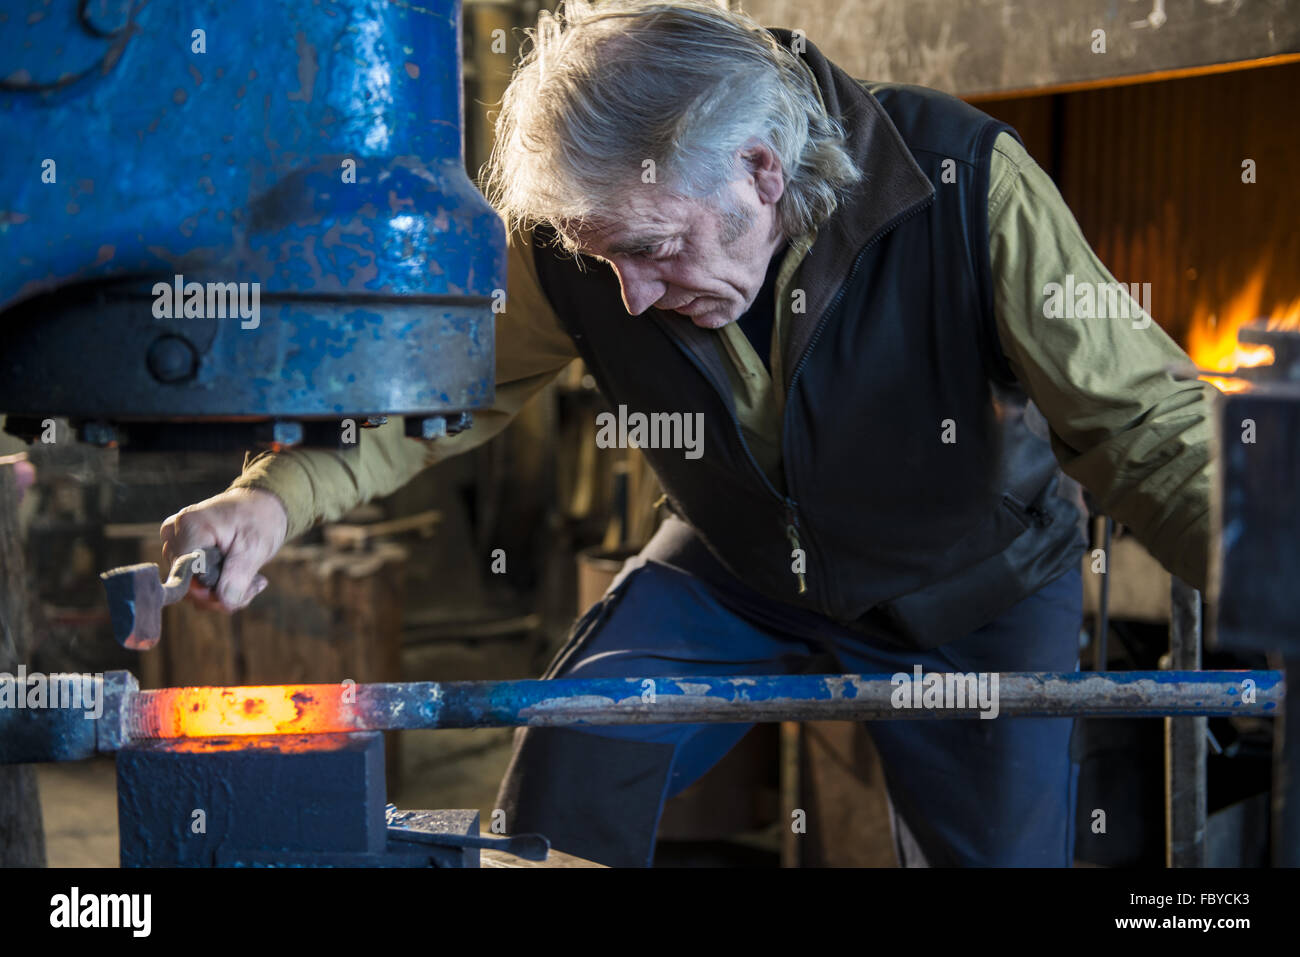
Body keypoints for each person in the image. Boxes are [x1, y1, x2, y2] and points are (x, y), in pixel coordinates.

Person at [161, 0, 1216, 866]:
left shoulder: (970, 183)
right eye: (599, 255)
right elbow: (446, 394)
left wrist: (1263, 573)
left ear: (762, 171)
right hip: (738, 562)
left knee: (1000, 862)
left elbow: (1142, 427)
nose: (624, 299)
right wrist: (272, 496)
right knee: (573, 756)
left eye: (654, 250)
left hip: (968, 579)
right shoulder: (587, 239)